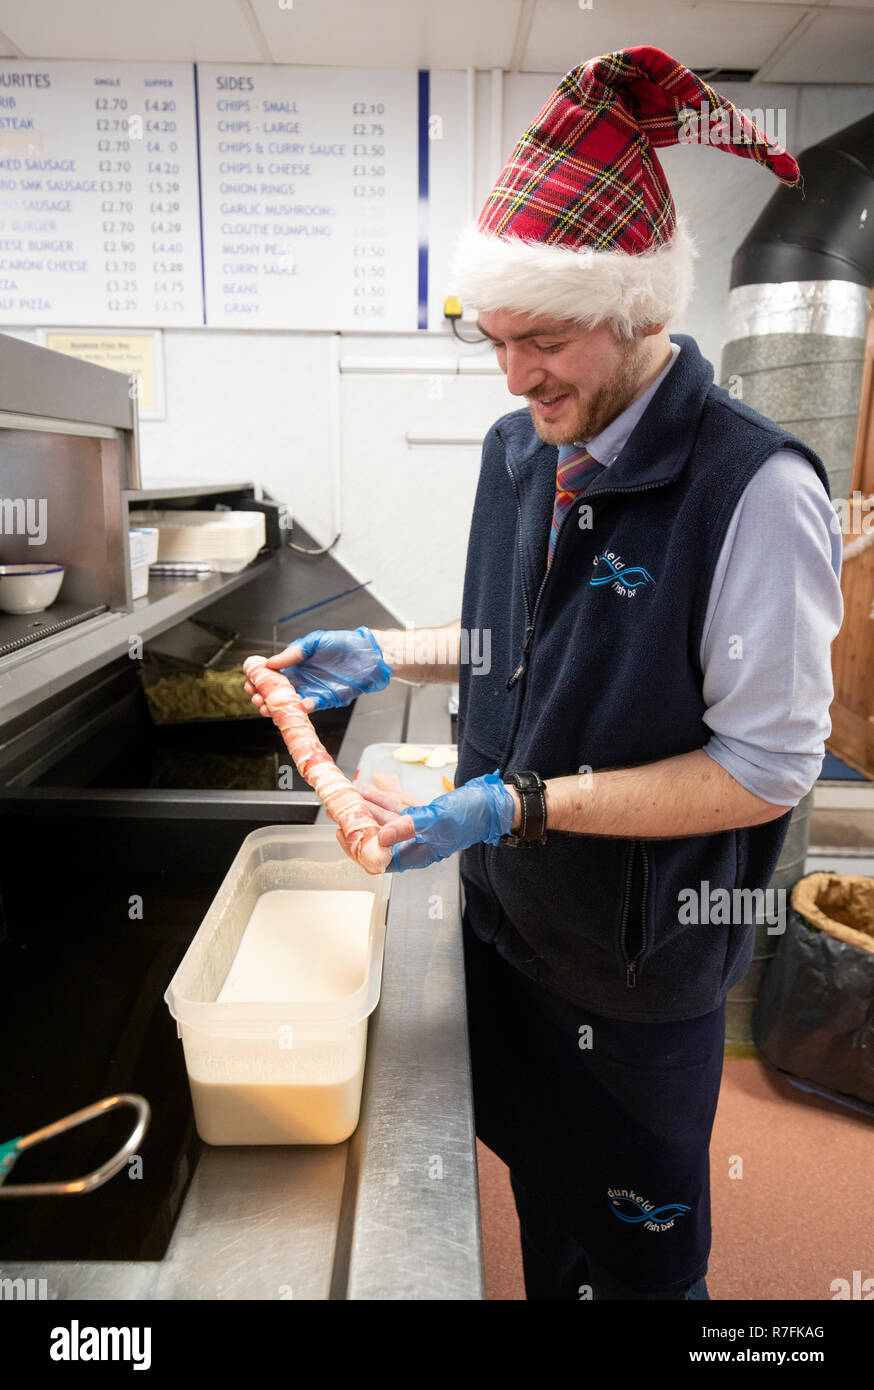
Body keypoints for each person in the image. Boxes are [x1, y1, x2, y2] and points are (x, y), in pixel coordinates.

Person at [246, 47, 844, 1299]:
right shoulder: (519, 449)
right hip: (511, 927)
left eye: (546, 339)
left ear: (641, 310)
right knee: (542, 1203)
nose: (516, 377)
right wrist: (392, 648)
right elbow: (527, 642)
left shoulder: (753, 487)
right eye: (494, 339)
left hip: (638, 969)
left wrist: (519, 804)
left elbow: (768, 766)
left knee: (636, 1252)